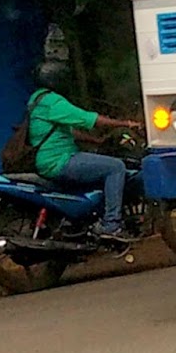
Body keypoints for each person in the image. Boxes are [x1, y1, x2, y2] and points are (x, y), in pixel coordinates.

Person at [28, 62, 137, 241]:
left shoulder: (37, 100)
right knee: (116, 167)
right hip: (60, 161)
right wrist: (125, 123)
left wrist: (95, 140)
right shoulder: (53, 101)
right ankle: (111, 225)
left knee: (98, 164)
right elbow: (88, 119)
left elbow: (66, 129)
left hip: (48, 159)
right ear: (56, 81)